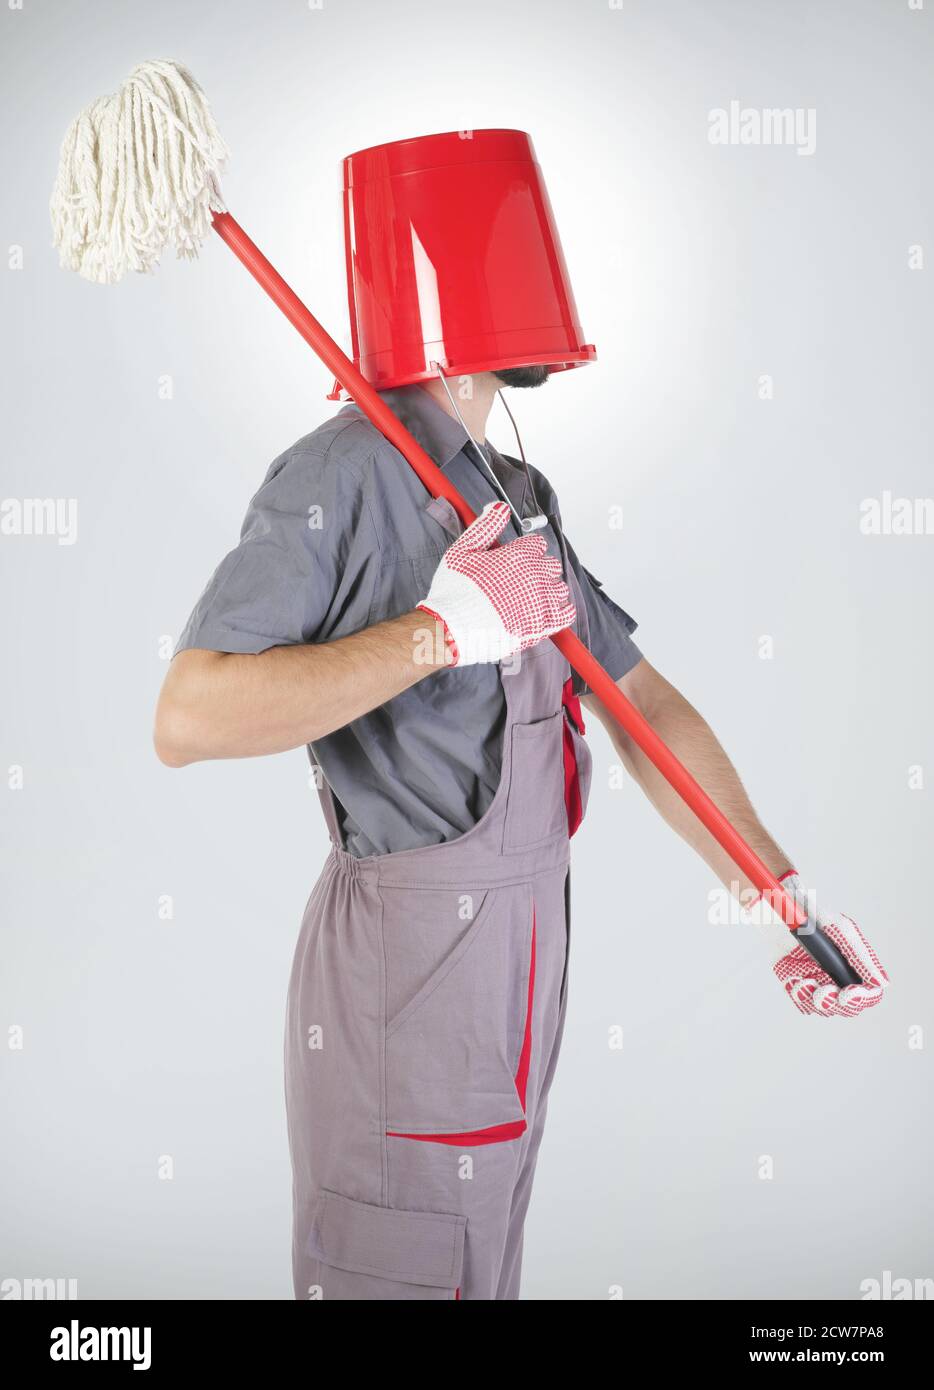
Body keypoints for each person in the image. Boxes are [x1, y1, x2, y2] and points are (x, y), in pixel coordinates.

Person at [153, 131, 888, 1301]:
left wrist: (779, 898)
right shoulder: (337, 478)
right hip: (405, 983)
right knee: (400, 1266)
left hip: (516, 968)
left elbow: (637, 699)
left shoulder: (512, 489)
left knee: (474, 1261)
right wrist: (438, 634)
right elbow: (187, 716)